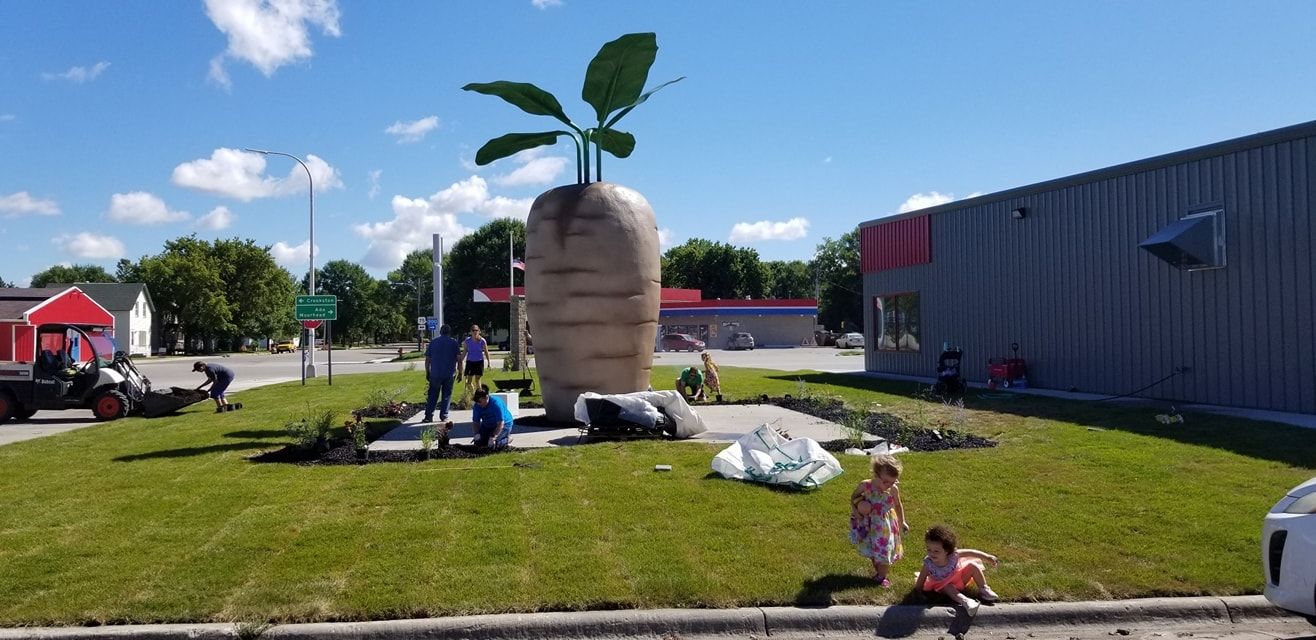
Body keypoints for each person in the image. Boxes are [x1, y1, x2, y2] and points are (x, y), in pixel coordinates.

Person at [914, 525, 1000, 615]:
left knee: (972, 565)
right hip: (942, 585)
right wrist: (918, 592)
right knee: (948, 587)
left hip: (958, 580)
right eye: (929, 549)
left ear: (947, 550)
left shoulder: (953, 556)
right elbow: (922, 578)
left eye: (936, 551)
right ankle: (966, 601)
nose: (932, 553)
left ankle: (984, 589)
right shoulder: (929, 563)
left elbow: (971, 552)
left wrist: (987, 557)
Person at [849, 454, 908, 587]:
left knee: (884, 549)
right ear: (876, 475)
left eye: (893, 482)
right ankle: (878, 572)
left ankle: (882, 576)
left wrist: (902, 521)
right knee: (872, 549)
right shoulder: (865, 486)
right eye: (885, 481)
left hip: (884, 524)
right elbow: (853, 498)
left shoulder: (892, 489)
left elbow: (898, 505)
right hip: (868, 523)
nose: (888, 485)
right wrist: (856, 511)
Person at [424, 324, 461, 422]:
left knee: (432, 394)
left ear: (440, 332)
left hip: (435, 373)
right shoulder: (454, 343)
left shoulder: (433, 342)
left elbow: (427, 359)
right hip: (449, 373)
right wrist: (460, 372)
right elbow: (459, 359)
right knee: (447, 395)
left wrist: (427, 372)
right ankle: (444, 415)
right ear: (449, 332)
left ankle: (428, 416)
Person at [459, 325, 491, 401]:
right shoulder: (467, 341)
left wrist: (489, 362)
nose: (475, 332)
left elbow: (486, 352)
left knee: (477, 380)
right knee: (468, 381)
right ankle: (473, 394)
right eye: (473, 330)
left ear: (479, 331)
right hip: (470, 362)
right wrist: (460, 360)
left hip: (479, 361)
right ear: (471, 332)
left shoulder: (482, 341)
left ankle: (480, 396)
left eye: (476, 330)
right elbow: (465, 351)